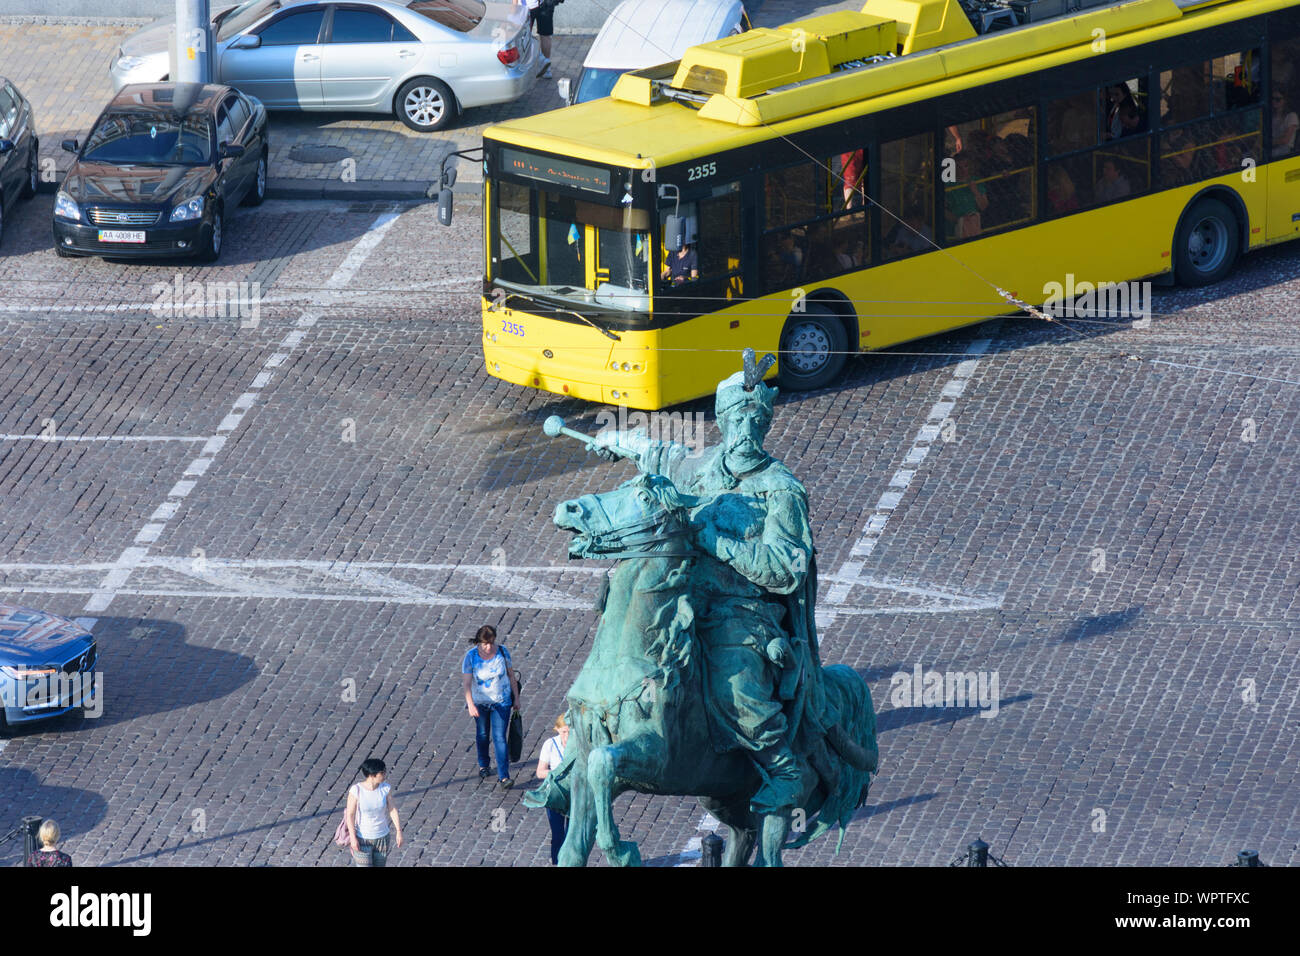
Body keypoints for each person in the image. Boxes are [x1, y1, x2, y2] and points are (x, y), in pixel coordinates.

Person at [590, 367, 824, 864]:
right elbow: (657, 454)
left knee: (736, 685)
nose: (746, 429)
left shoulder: (781, 489)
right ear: (722, 420)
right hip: (684, 596)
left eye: (755, 420)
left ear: (766, 424)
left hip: (741, 610)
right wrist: (616, 441)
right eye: (737, 418)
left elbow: (785, 569)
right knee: (620, 620)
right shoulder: (702, 465)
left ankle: (782, 767)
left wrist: (715, 541)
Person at [462, 623, 521, 788]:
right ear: (479, 642)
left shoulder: (502, 652)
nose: (489, 647)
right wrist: (470, 704)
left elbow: (511, 676)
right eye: (485, 644)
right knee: (482, 734)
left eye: (491, 643)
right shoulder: (471, 657)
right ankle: (484, 764)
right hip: (480, 703)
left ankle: (504, 776)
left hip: (501, 702)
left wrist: (516, 698)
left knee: (499, 737)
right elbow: (467, 683)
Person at [345, 758, 403, 867]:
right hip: (362, 838)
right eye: (382, 772)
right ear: (372, 775)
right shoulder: (356, 790)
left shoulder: (385, 788)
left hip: (382, 837)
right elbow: (350, 815)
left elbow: (392, 810)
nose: (385, 774)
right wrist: (353, 838)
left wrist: (399, 831)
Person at [535, 714, 570, 864]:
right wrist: (556, 772)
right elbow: (540, 772)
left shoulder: (579, 745)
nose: (567, 736)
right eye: (564, 732)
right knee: (557, 835)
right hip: (555, 795)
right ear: (557, 730)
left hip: (574, 795)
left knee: (572, 836)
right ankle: (556, 862)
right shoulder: (550, 744)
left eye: (570, 732)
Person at [527, 0, 559, 79]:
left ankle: (542, 60)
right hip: (545, 4)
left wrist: (515, 6)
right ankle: (546, 69)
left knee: (524, 36)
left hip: (528, 6)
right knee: (545, 36)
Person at [1272, 90, 1299, 158]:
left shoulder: (1291, 116)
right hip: (1271, 149)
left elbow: (1285, 140)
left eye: (1277, 99)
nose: (1274, 101)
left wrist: (1268, 143)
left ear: (1285, 101)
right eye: (1272, 99)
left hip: (1285, 151)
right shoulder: (1271, 118)